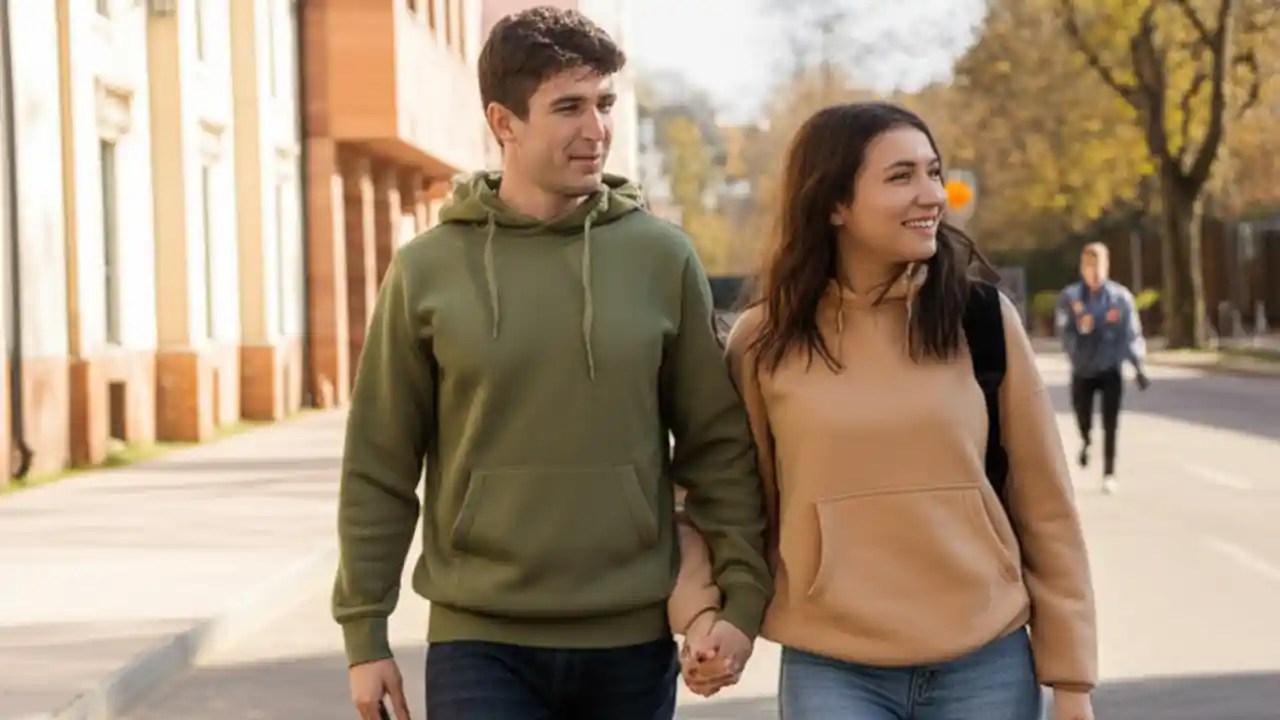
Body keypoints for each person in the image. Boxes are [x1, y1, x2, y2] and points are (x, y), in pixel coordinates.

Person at [331, 8, 771, 720]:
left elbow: (717, 448)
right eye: (568, 107)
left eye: (603, 104)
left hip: (630, 639)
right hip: (481, 639)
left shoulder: (661, 258)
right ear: (504, 122)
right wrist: (364, 633)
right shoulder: (427, 270)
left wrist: (738, 602)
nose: (595, 129)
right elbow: (379, 465)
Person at [678, 102, 1098, 720]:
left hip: (985, 661)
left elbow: (1046, 507)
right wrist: (703, 613)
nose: (932, 195)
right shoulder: (764, 342)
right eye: (902, 177)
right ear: (834, 204)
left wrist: (1072, 684)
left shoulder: (980, 321)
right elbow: (718, 498)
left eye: (934, 172)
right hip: (833, 667)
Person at [1057, 242, 1149, 495]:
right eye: (1089, 266)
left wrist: (1138, 366)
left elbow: (1131, 334)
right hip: (1083, 369)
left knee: (1111, 421)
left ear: (1106, 267)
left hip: (1110, 368)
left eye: (1099, 266)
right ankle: (1086, 440)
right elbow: (1064, 333)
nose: (1095, 272)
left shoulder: (1120, 298)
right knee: (1083, 416)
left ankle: (1109, 472)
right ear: (1082, 268)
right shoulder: (1071, 298)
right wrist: (1078, 337)